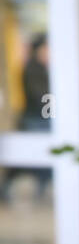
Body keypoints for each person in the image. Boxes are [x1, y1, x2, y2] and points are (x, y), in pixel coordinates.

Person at [1, 32, 52, 202]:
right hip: (35, 120)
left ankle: (42, 190)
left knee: (42, 158)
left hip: (41, 119)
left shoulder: (43, 68)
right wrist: (51, 110)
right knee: (33, 157)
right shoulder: (32, 69)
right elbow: (40, 96)